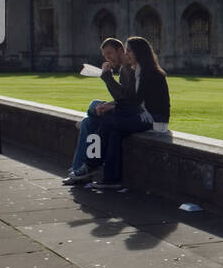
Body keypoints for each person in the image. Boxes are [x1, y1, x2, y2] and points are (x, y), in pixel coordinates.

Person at [83, 36, 169, 191]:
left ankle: (90, 164)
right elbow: (130, 101)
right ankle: (111, 180)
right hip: (143, 116)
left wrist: (112, 104)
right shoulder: (139, 71)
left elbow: (134, 102)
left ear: (139, 52)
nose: (126, 54)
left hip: (154, 120)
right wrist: (112, 105)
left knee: (106, 121)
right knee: (114, 132)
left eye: (129, 50)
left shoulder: (149, 73)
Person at [62, 38, 135, 185]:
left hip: (132, 116)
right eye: (105, 56)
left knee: (91, 112)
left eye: (110, 54)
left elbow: (127, 100)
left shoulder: (131, 70)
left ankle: (80, 170)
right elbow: (122, 98)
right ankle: (79, 170)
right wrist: (109, 104)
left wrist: (107, 78)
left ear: (120, 51)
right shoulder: (123, 70)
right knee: (89, 119)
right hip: (124, 110)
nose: (108, 58)